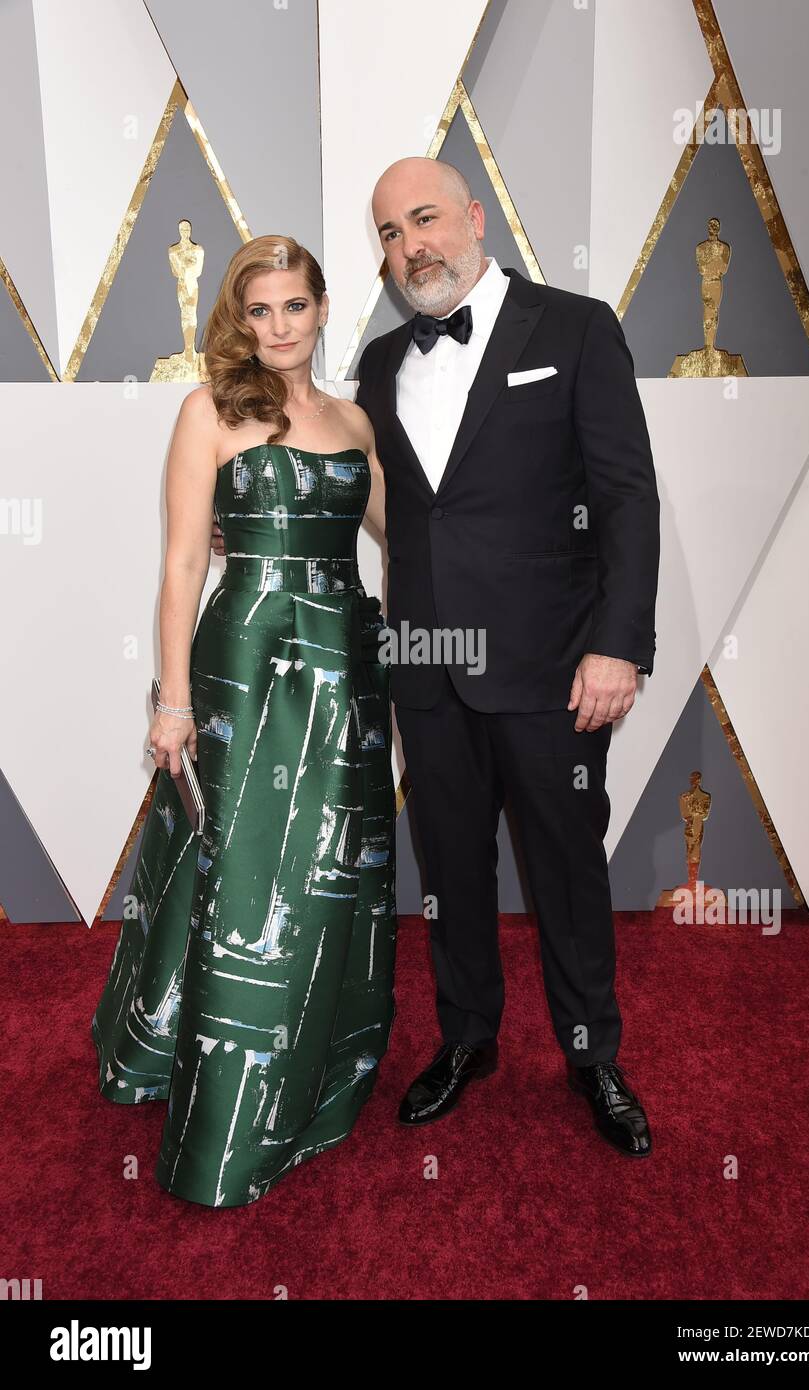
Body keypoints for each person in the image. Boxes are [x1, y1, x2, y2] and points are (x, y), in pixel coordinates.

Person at [214, 159, 661, 1159]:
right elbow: (380, 505)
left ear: (471, 214)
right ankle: (466, 1039)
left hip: (554, 666)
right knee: (450, 870)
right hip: (424, 664)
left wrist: (616, 645)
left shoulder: (576, 326)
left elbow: (627, 496)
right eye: (385, 232)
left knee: (564, 869)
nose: (408, 244)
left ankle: (591, 1053)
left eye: (422, 219)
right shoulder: (376, 365)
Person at [92, 235, 397, 1208]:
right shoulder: (209, 411)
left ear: (321, 308)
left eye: (294, 308)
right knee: (246, 862)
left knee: (328, 862)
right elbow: (184, 563)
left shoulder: (353, 419)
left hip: (345, 662)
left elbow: (405, 534)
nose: (277, 328)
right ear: (239, 315)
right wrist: (172, 700)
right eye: (259, 310)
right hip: (248, 661)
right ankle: (218, 1096)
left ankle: (306, 1070)